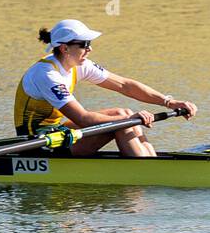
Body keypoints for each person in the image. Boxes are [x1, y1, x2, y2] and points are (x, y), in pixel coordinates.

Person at [13, 19, 196, 156]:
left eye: (89, 44)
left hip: (58, 131)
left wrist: (169, 102)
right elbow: (83, 118)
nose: (89, 49)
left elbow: (125, 86)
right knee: (122, 122)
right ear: (64, 48)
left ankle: (149, 159)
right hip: (37, 143)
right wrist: (129, 120)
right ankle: (145, 169)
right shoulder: (46, 74)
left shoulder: (79, 65)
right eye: (84, 44)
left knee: (122, 112)